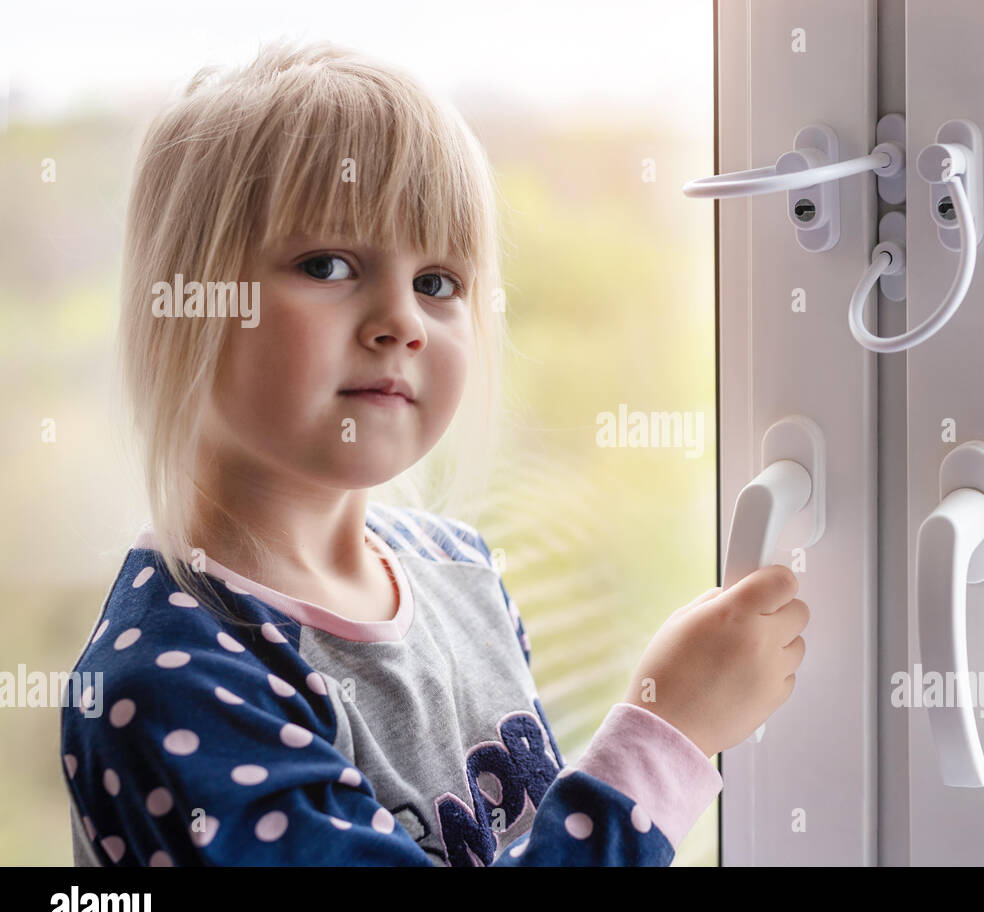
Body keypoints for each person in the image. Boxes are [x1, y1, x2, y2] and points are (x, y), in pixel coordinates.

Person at [60, 40, 808, 866]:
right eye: (329, 264)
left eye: (438, 283)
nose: (402, 321)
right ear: (188, 301)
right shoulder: (173, 683)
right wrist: (668, 737)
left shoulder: (460, 570)